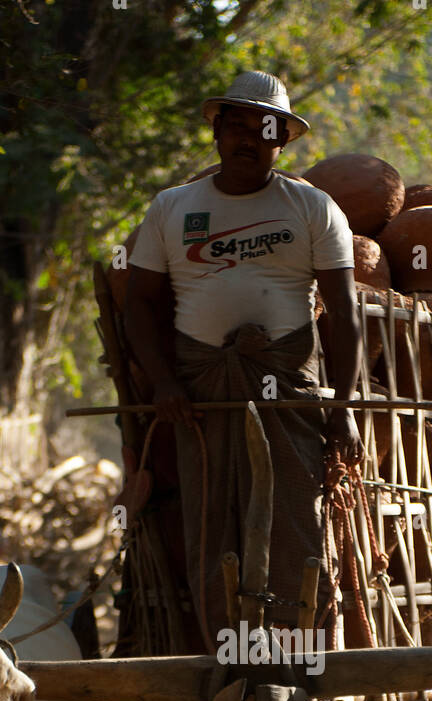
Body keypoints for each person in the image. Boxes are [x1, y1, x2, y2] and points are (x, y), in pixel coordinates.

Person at [123, 70, 362, 647]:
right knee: (210, 517)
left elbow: (343, 312)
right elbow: (139, 305)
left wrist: (345, 406)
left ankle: (294, 649)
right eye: (236, 126)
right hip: (199, 389)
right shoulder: (173, 208)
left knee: (294, 514)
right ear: (217, 133)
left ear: (282, 141)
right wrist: (163, 383)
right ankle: (224, 651)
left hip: (289, 384)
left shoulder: (313, 207)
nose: (248, 138)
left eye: (265, 128)